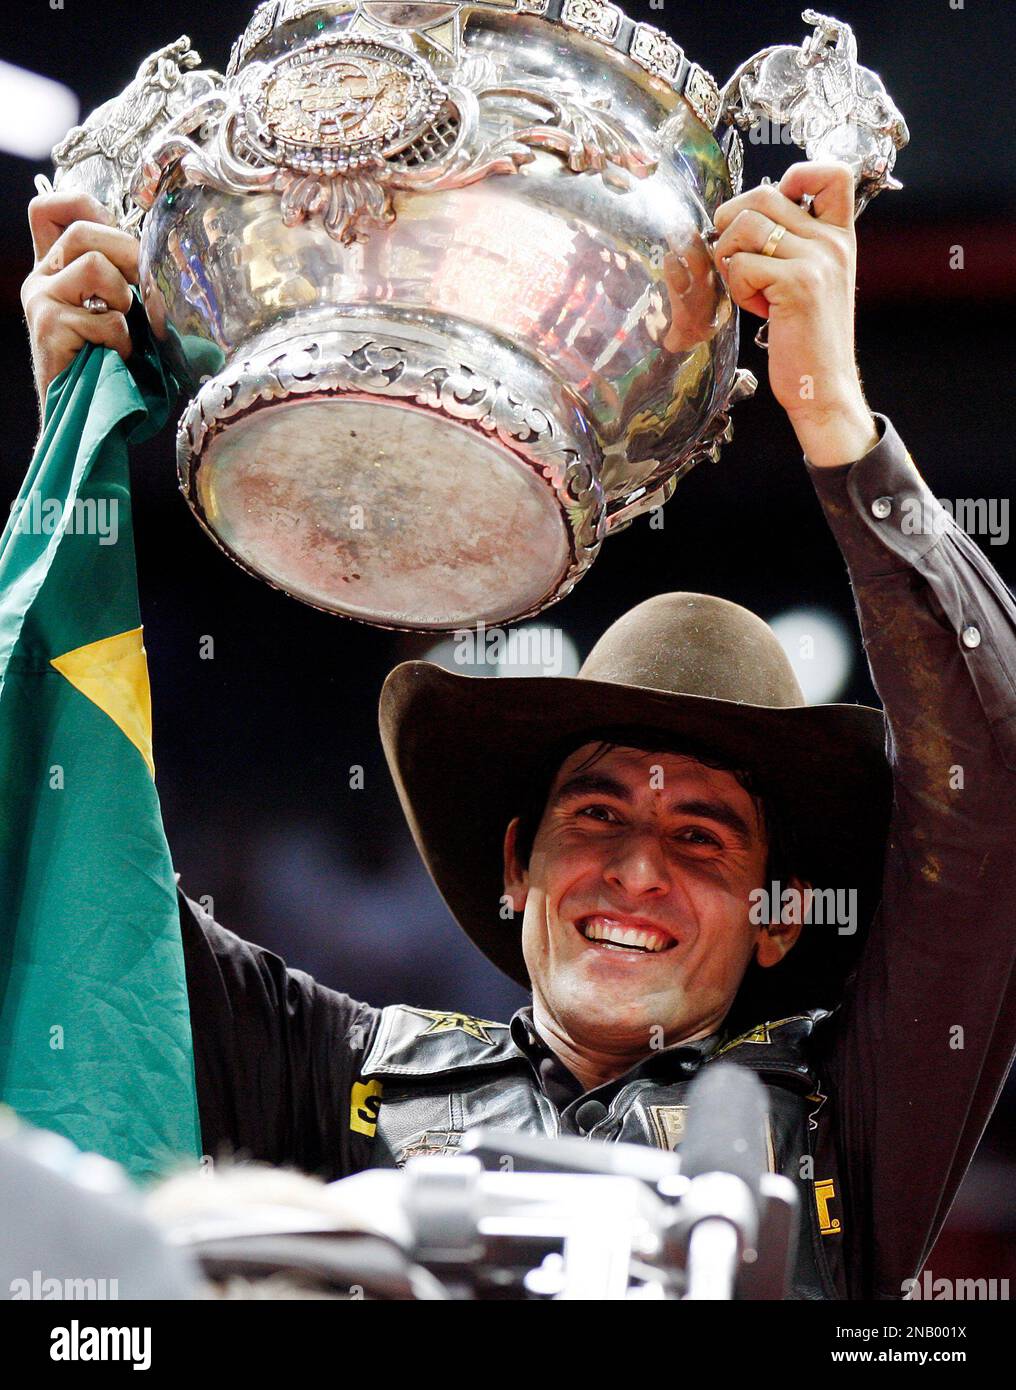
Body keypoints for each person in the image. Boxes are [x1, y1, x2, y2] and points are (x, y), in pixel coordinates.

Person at [20, 162, 1016, 1300]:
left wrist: (839, 423)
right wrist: (71, 466)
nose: (636, 867)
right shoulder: (336, 1072)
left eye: (703, 838)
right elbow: (70, 867)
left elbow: (991, 793)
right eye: (596, 812)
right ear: (517, 865)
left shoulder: (852, 1118)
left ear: (778, 917)